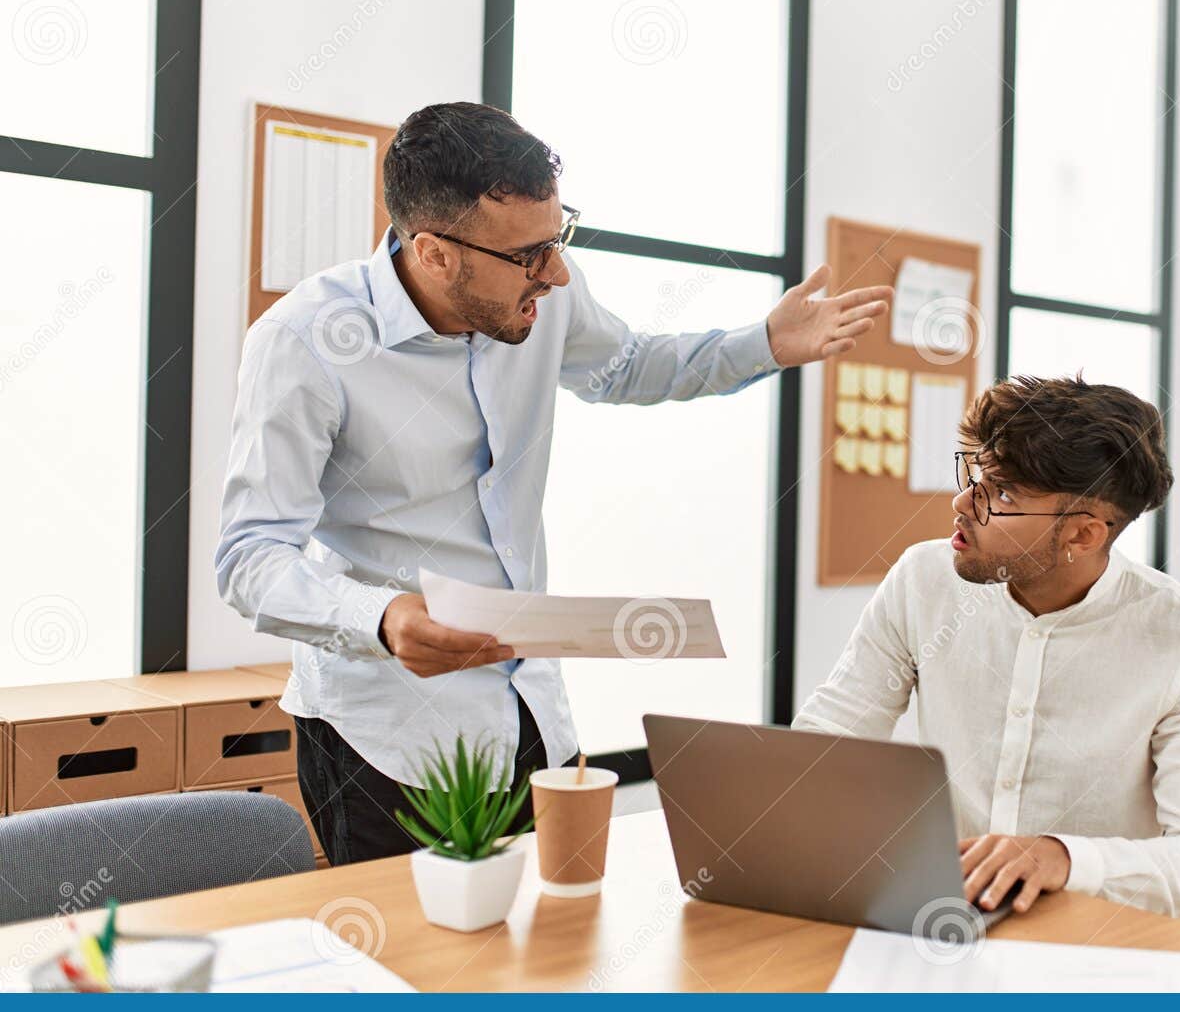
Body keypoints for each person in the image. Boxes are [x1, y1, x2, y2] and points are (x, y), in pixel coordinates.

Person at [217, 101, 891, 864]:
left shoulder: (541, 291)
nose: (558, 271)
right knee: (414, 974)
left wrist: (762, 343)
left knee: (550, 951)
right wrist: (383, 618)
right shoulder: (306, 343)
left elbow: (626, 366)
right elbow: (250, 558)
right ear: (434, 253)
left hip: (533, 710)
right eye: (531, 255)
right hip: (389, 733)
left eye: (558, 238)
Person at [792, 375, 1180, 921]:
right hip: (941, 918)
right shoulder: (923, 579)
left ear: (1083, 536)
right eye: (976, 475)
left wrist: (1061, 857)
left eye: (1003, 493)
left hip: (1097, 944)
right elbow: (829, 744)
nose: (964, 502)